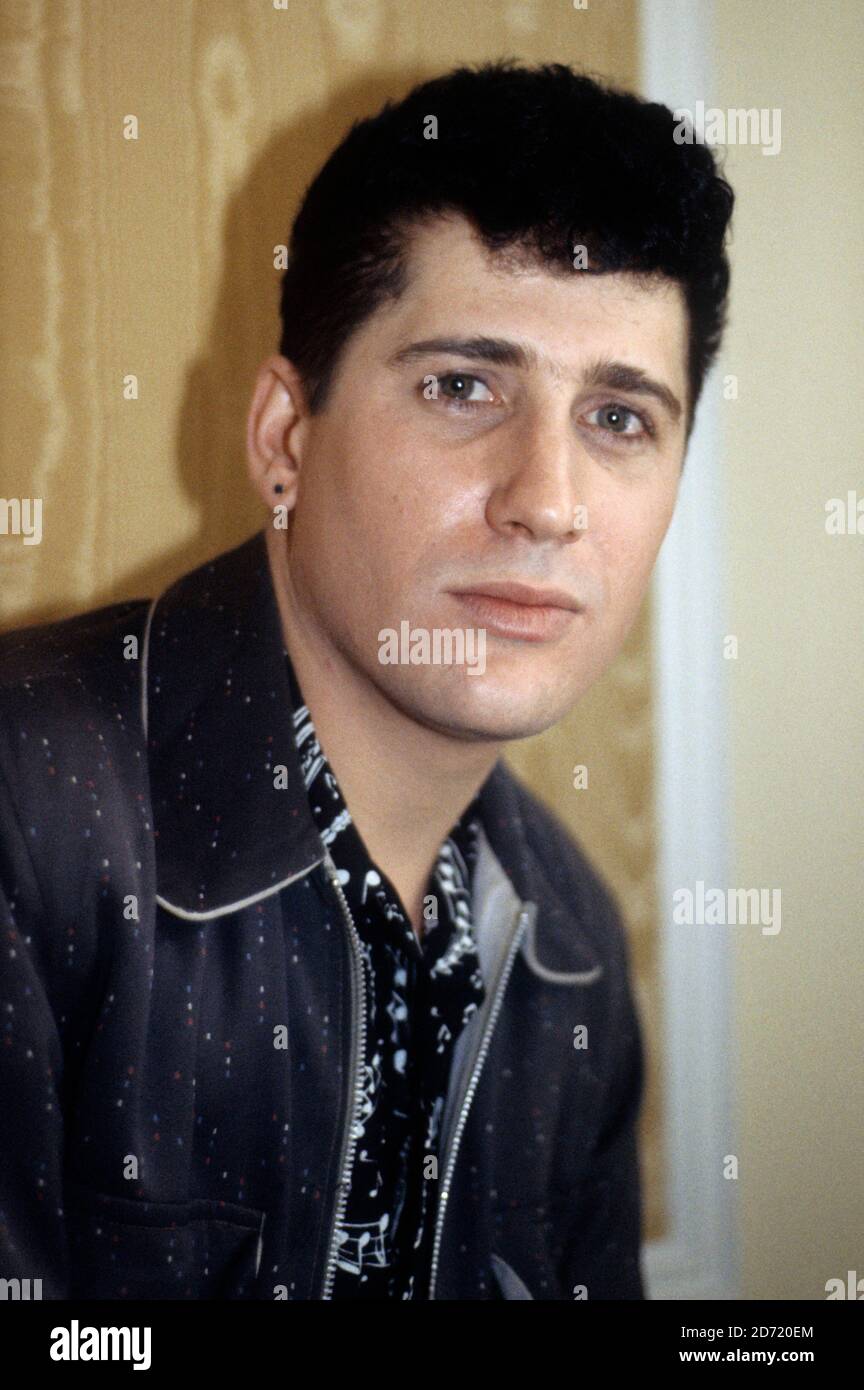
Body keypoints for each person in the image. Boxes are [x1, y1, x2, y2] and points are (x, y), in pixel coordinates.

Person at [0, 60, 733, 1300]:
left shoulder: (570, 948)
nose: (547, 501)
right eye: (462, 386)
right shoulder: (30, 806)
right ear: (287, 437)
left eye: (619, 419)